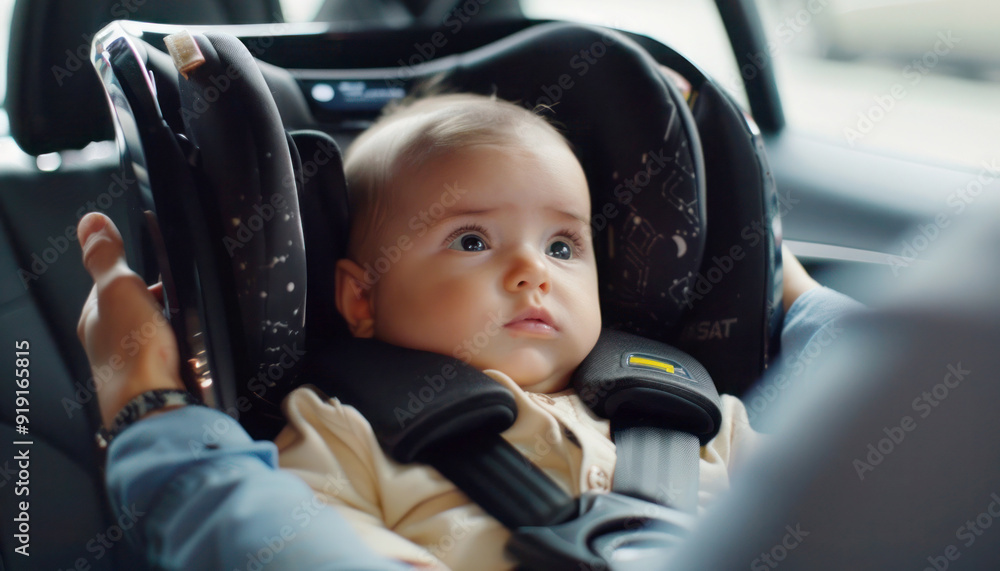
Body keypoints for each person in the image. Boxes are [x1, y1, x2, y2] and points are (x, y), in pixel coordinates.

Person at [78, 93, 855, 570]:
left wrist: (794, 298)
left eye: (562, 245)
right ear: (361, 298)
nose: (532, 272)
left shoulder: (697, 414)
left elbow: (862, 482)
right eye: (473, 241)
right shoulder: (341, 432)